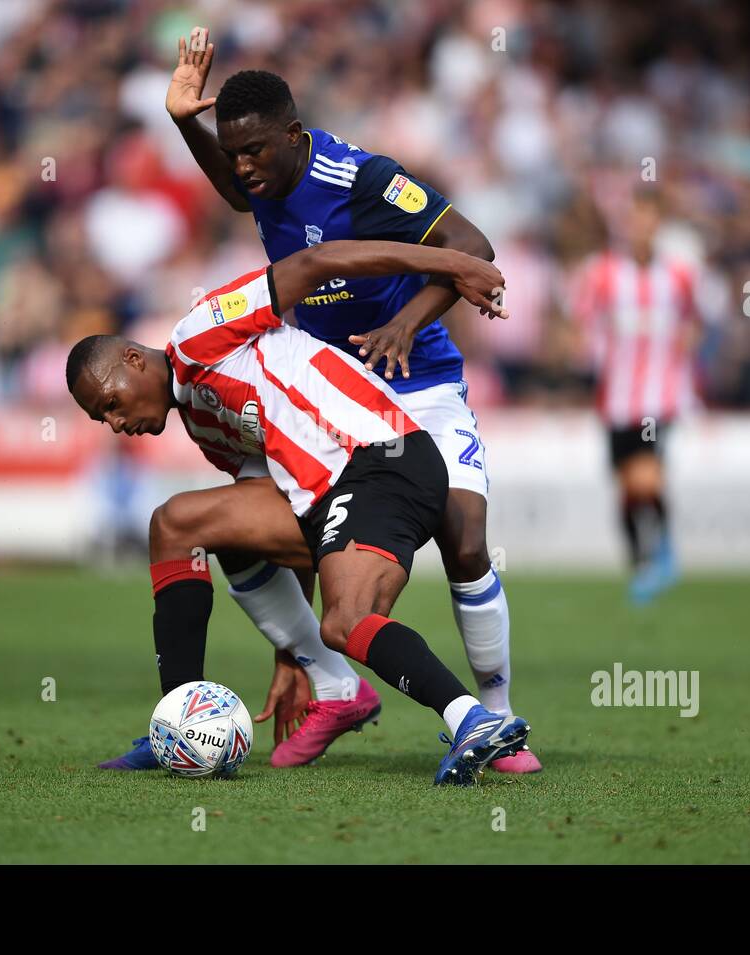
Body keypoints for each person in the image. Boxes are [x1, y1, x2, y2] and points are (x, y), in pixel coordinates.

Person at [158, 27, 540, 772]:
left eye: (253, 153)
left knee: (464, 538)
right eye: (231, 155)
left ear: (292, 136)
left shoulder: (364, 181)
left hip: (418, 381)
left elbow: (474, 246)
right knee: (260, 529)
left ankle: (497, 720)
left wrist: (404, 321)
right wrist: (184, 121)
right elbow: (242, 189)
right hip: (335, 402)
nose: (242, 170)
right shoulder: (260, 177)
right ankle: (332, 681)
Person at [67, 238, 531, 786]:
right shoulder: (202, 420)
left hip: (381, 461)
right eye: (104, 420)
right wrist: (290, 655)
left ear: (132, 359)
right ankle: (179, 721)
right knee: (178, 523)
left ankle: (471, 718)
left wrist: (453, 263)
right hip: (330, 498)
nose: (117, 423)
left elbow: (314, 263)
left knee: (346, 620)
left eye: (113, 403)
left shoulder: (198, 336)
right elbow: (289, 520)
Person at [570, 192, 701, 604]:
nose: (640, 226)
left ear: (659, 224)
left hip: (660, 398)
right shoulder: (603, 273)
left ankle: (663, 555)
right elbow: (582, 323)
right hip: (616, 398)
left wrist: (682, 356)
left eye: (648, 218)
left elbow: (694, 322)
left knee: (647, 477)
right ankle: (642, 565)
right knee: (627, 487)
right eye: (634, 218)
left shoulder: (679, 275)